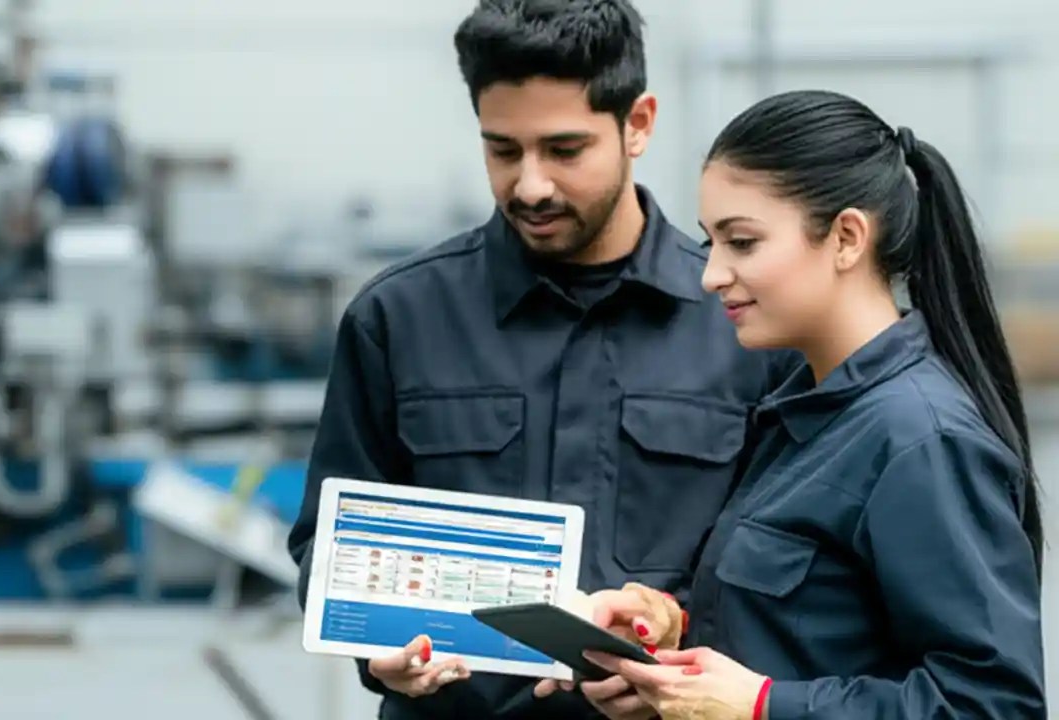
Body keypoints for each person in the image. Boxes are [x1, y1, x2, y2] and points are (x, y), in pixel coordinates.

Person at [286, 1, 800, 718]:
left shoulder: (743, 325)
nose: (530, 185)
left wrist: (680, 651)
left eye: (564, 150)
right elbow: (329, 541)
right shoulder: (398, 319)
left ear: (638, 124)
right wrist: (377, 652)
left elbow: (791, 569)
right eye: (503, 151)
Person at [537, 88, 1047, 719]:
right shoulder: (808, 412)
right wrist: (669, 643)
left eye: (742, 242)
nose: (711, 274)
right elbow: (811, 634)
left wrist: (762, 706)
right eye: (710, 241)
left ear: (846, 238)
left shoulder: (921, 439)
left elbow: (993, 705)